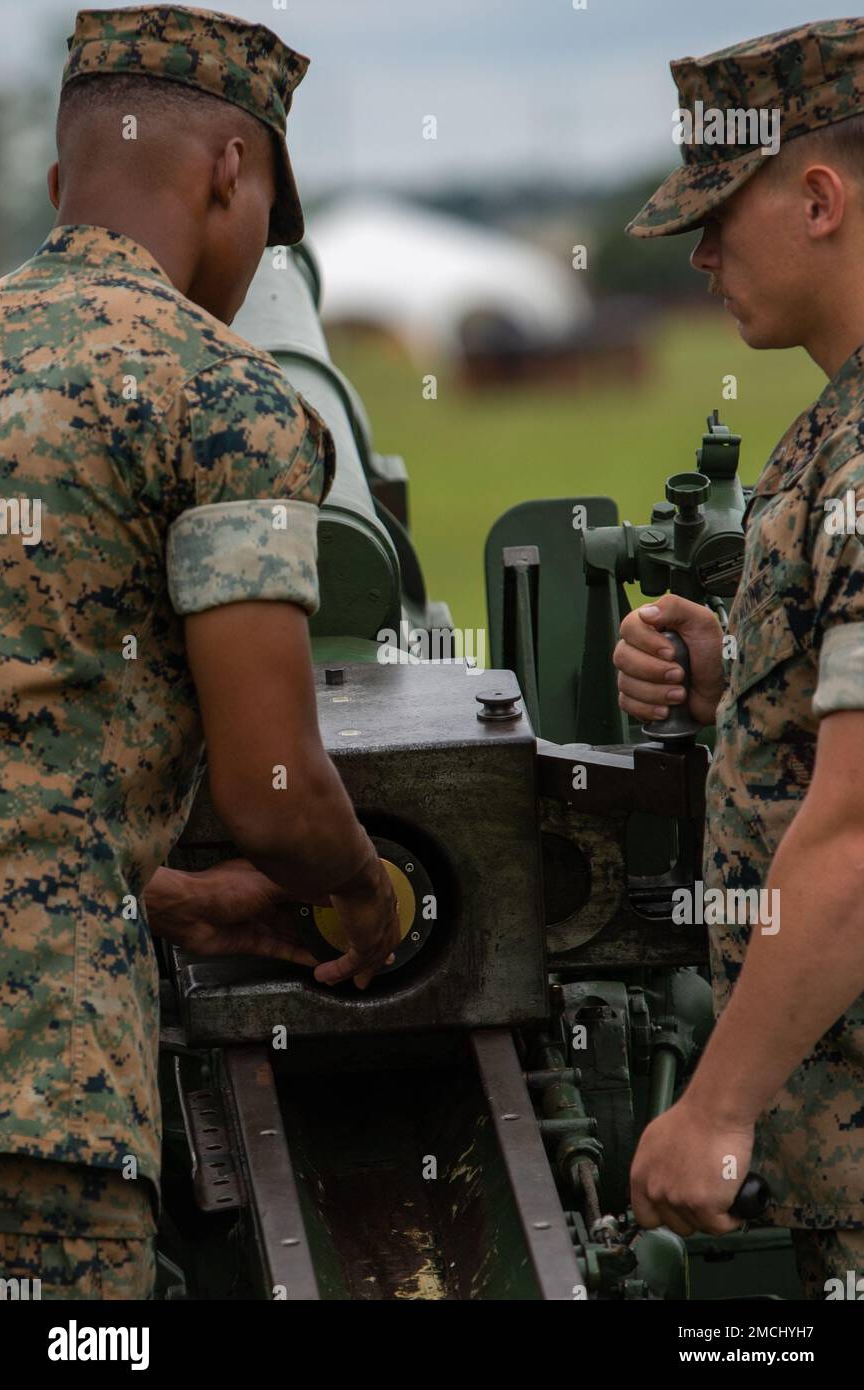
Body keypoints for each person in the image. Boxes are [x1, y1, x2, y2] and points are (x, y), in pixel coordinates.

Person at [0, 4, 400, 1300]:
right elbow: (270, 790)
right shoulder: (223, 396)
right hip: (38, 1102)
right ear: (233, 173)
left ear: (62, 185)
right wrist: (356, 890)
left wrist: (163, 894)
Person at [614, 17, 864, 1299]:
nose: (700, 254)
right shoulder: (829, 433)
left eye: (720, 214)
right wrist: (743, 683)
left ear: (818, 198)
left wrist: (711, 1111)